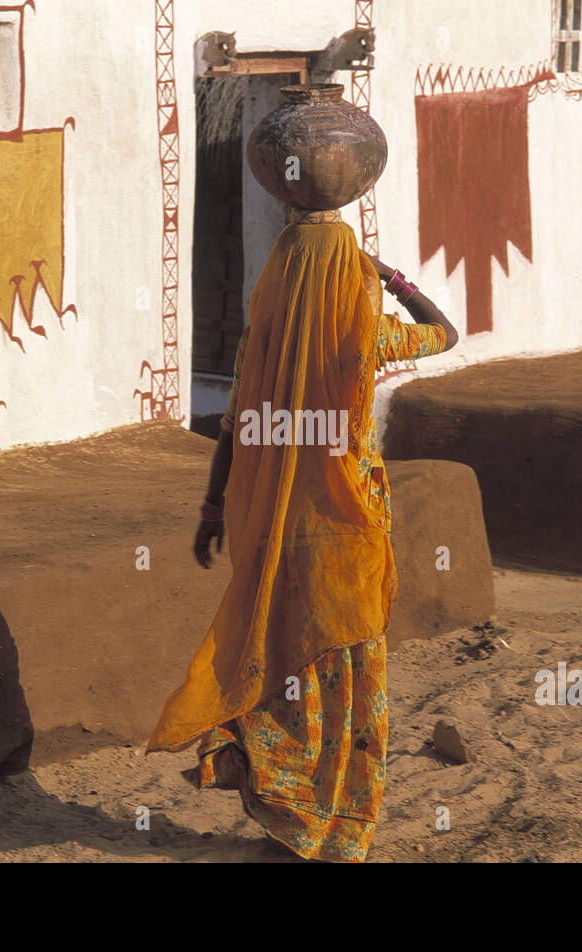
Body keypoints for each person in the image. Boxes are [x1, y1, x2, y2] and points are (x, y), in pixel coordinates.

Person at [146, 206, 458, 862]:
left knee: (281, 667)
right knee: (349, 685)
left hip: (280, 538)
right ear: (350, 274)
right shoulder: (364, 336)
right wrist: (391, 275)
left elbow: (232, 432)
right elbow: (446, 332)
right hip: (348, 542)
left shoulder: (260, 342)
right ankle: (336, 828)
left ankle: (287, 814)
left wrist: (210, 511)